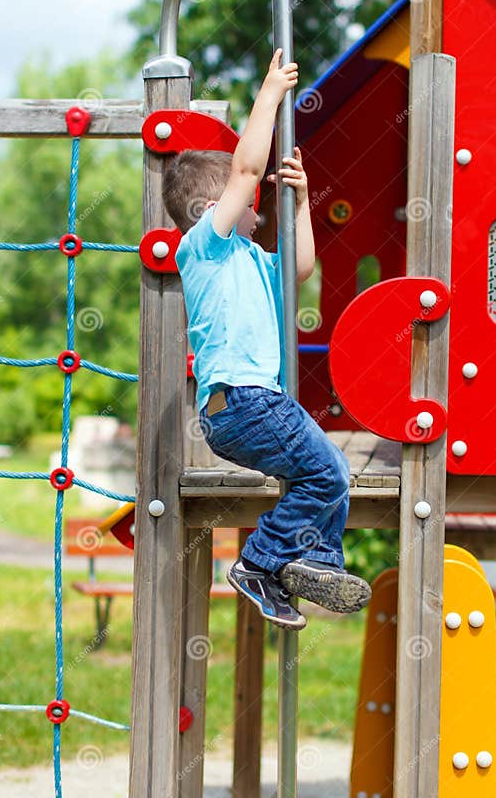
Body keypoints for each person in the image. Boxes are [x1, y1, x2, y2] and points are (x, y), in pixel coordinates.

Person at [166, 50, 371, 630]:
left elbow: (300, 268)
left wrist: (303, 202)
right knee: (328, 472)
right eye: (249, 206)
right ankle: (260, 562)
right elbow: (246, 173)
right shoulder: (204, 248)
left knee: (323, 473)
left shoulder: (252, 260)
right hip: (245, 400)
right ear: (214, 210)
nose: (256, 210)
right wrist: (270, 94)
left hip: (252, 407)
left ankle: (309, 562)